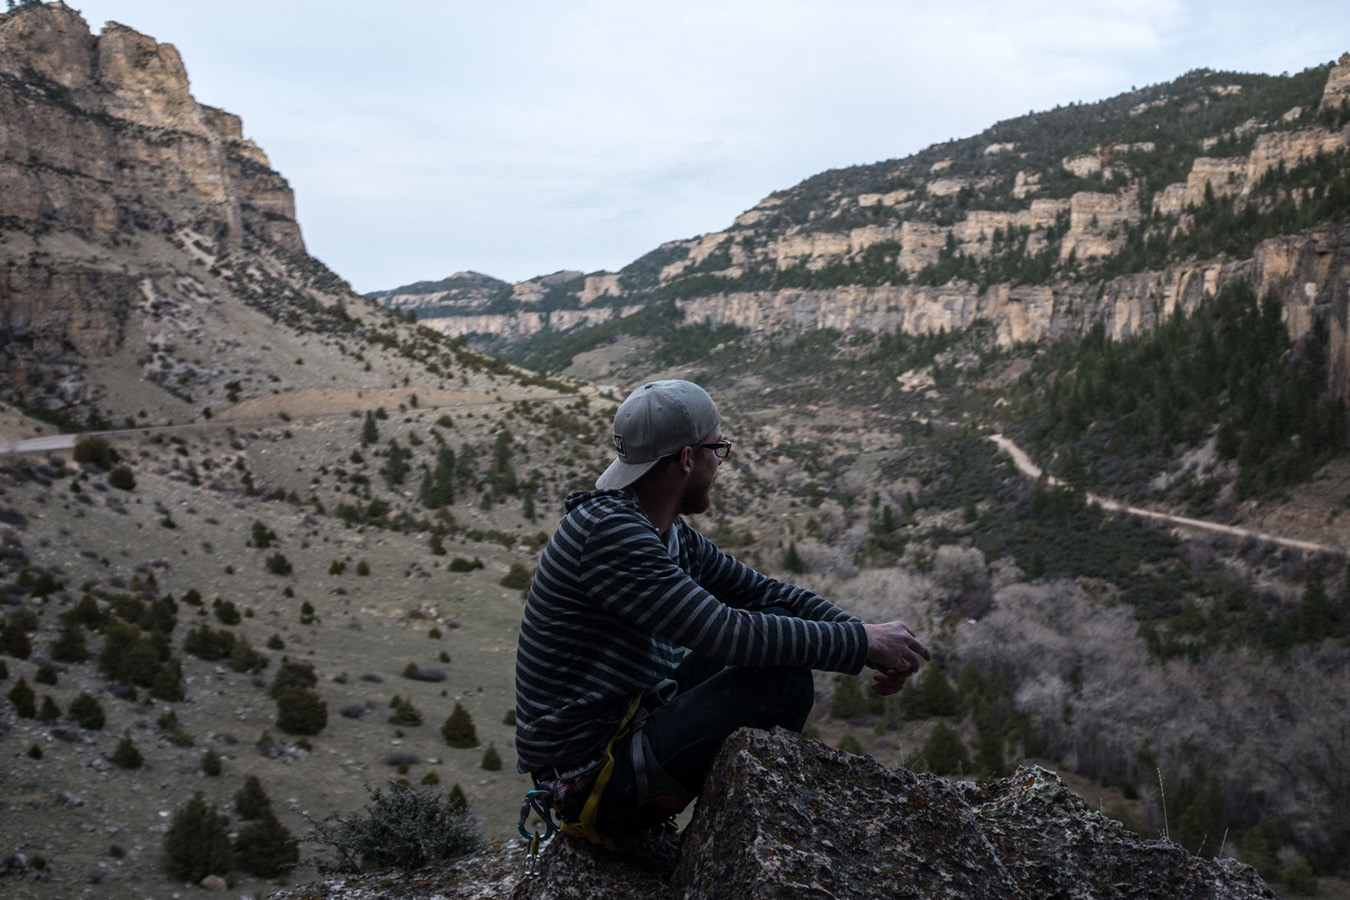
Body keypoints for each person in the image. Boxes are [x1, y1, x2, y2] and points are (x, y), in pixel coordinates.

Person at [514, 379, 930, 844]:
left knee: (776, 617)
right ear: (688, 458)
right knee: (783, 681)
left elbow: (763, 594)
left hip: (632, 730)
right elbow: (727, 634)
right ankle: (723, 843)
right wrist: (861, 643)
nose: (720, 462)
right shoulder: (611, 534)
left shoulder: (661, 529)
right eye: (719, 448)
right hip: (595, 783)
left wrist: (865, 638)